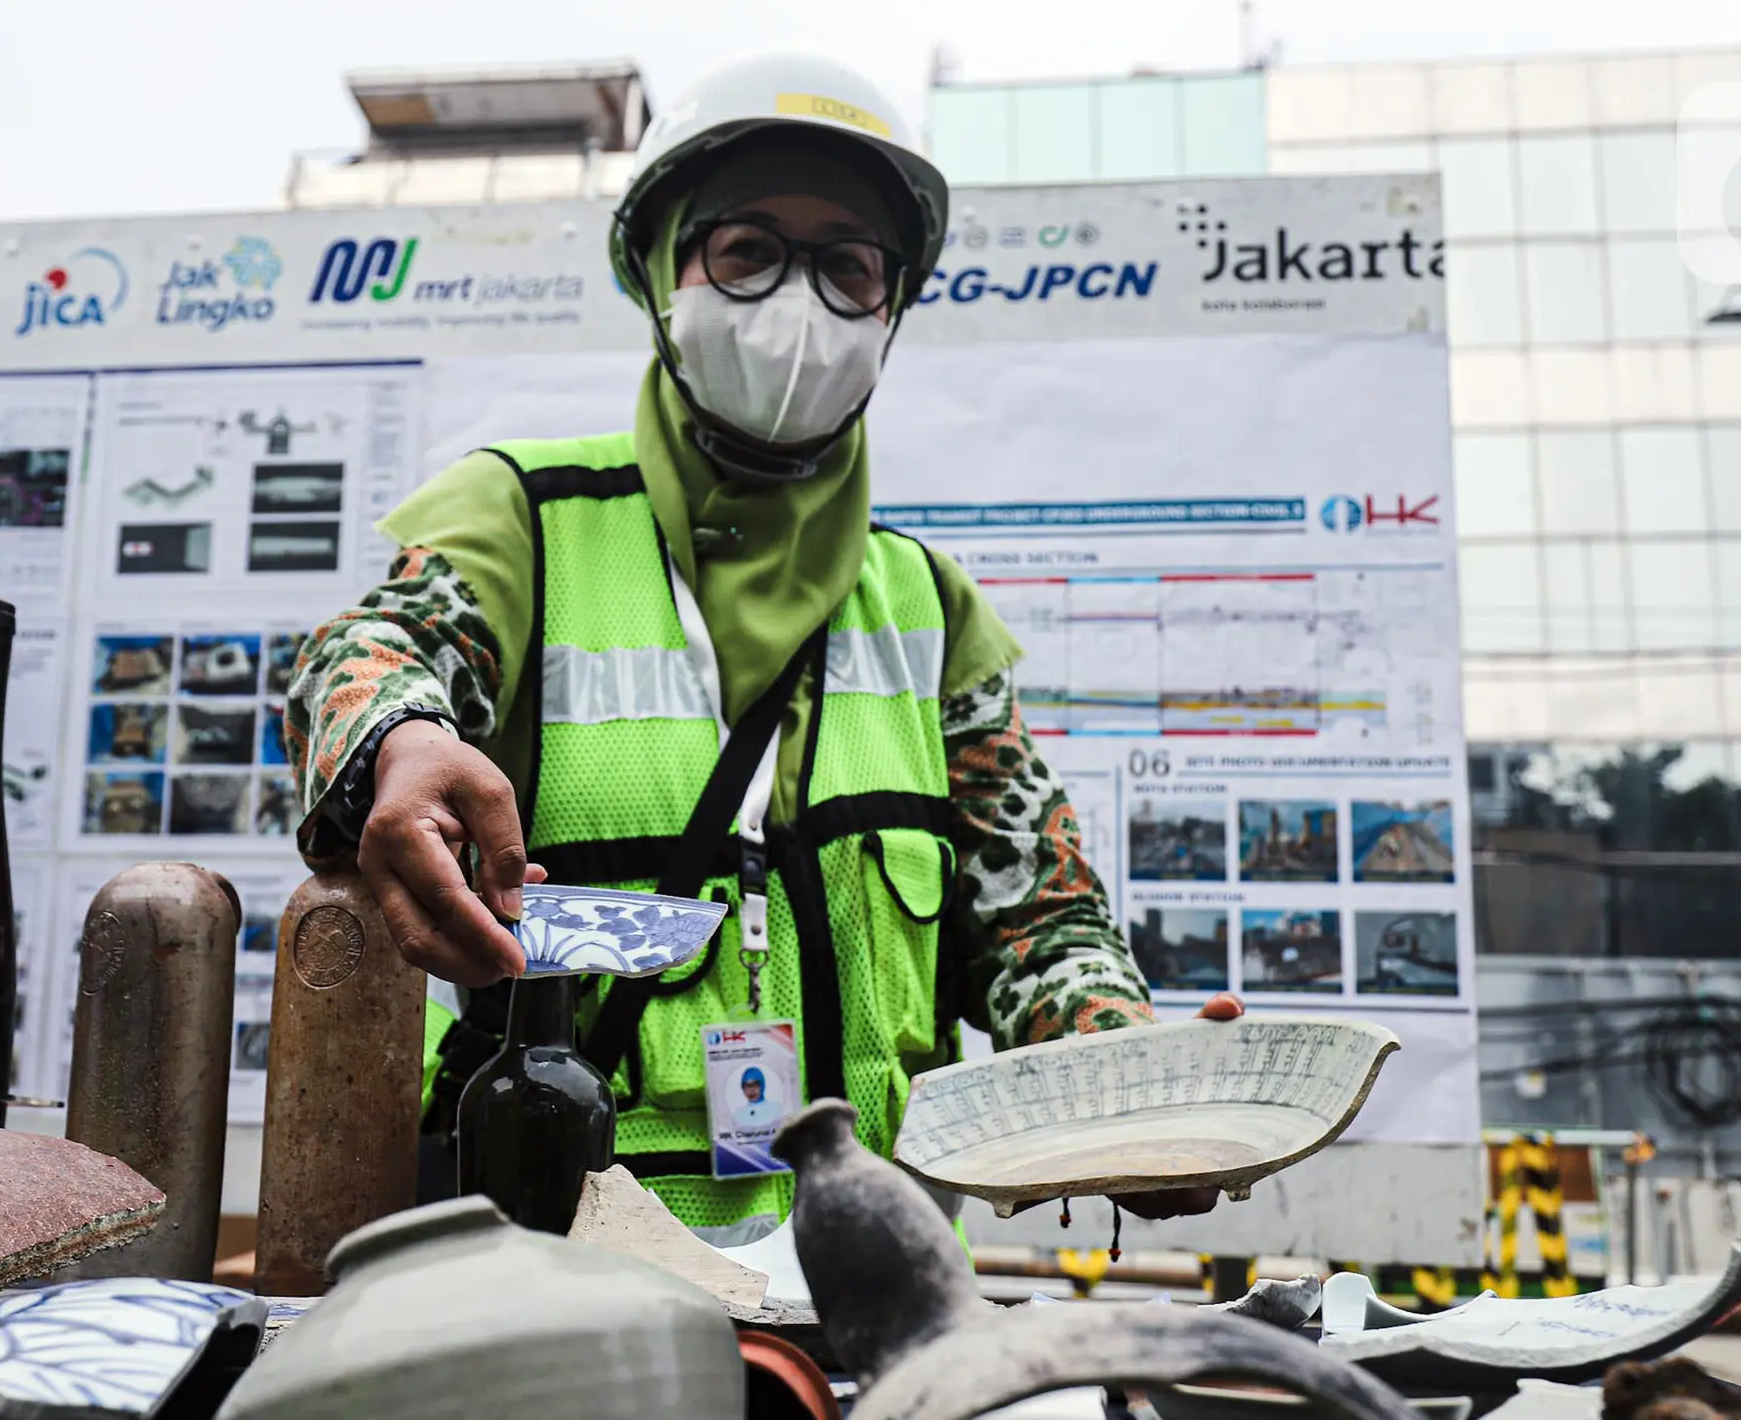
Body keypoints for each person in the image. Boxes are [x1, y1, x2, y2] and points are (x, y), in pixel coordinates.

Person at [283, 52, 1240, 1234]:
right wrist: (399, 740)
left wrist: (1125, 1067)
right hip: (556, 1270)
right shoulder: (525, 517)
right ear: (661, 275)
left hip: (875, 1276)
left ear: (890, 307)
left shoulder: (927, 604)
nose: (798, 305)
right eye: (746, 252)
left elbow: (1036, 915)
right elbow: (371, 650)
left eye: (848, 266)